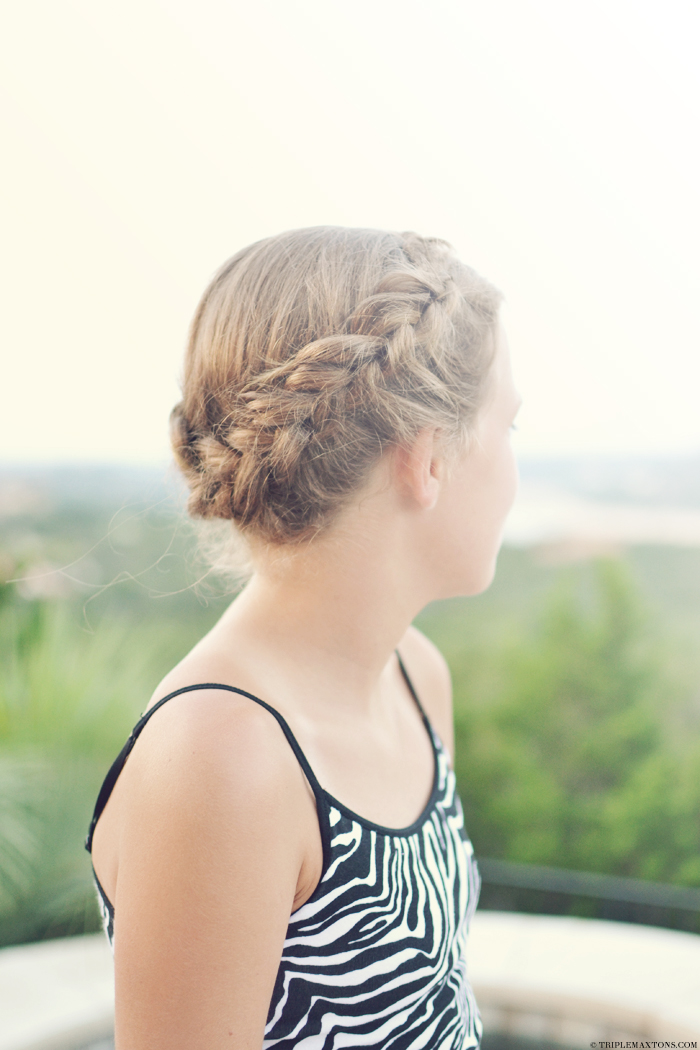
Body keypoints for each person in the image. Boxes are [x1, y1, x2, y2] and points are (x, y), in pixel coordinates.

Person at [85, 226, 520, 1049]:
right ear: (428, 457)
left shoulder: (414, 678)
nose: (513, 473)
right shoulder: (223, 757)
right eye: (510, 428)